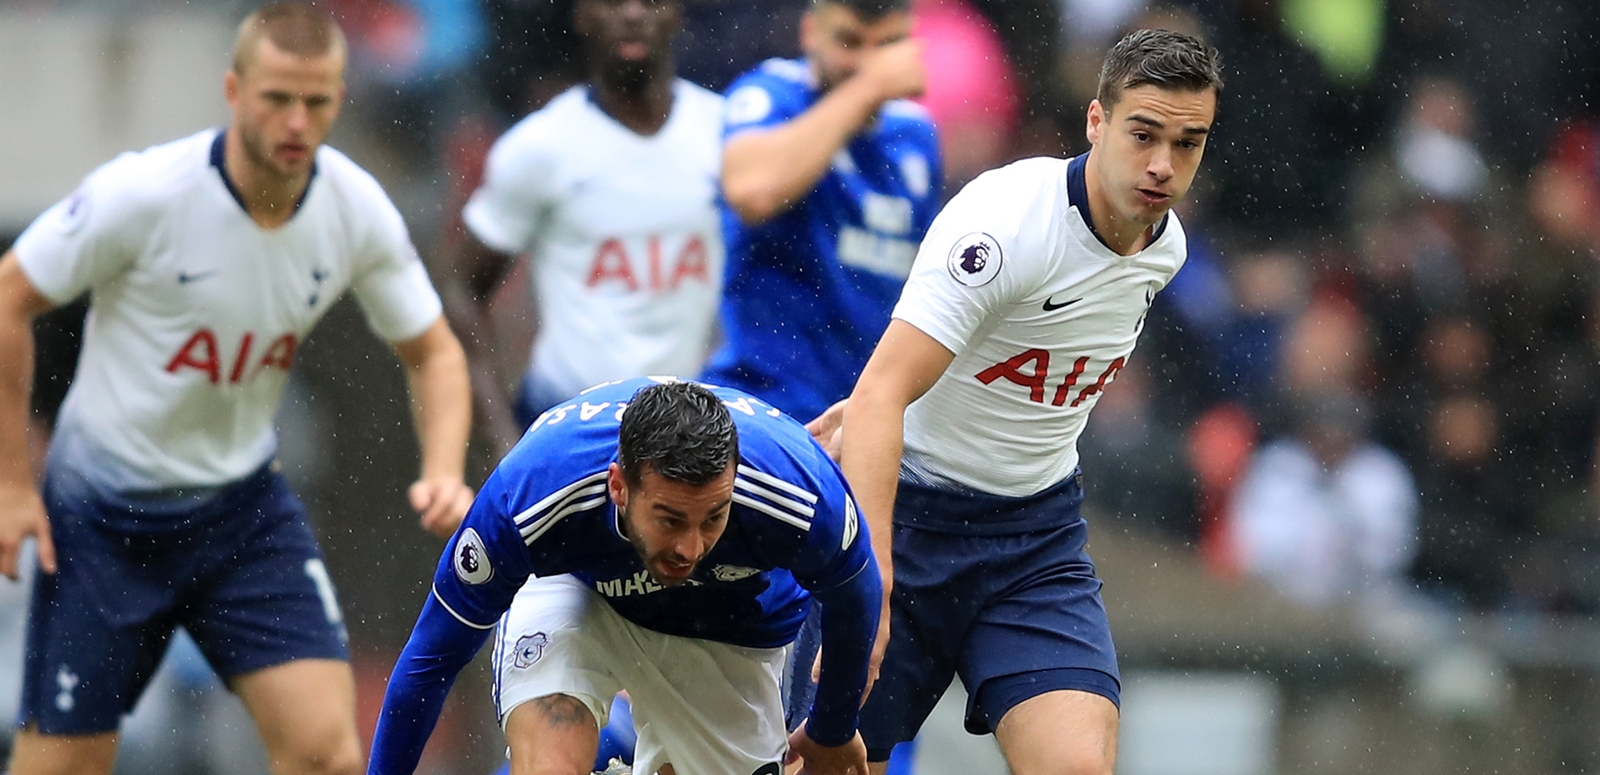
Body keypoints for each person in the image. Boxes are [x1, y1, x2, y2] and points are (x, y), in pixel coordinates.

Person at [0, 4, 475, 774]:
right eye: (277, 97)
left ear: (339, 100)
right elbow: (10, 294)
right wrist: (12, 483)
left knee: (327, 753)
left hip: (240, 515)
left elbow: (435, 351)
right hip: (101, 519)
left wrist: (444, 468)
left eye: (316, 101)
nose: (296, 120)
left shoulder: (355, 211)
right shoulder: (145, 193)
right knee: (63, 766)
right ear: (234, 89)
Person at [810, 29, 1224, 775]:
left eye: (1188, 144)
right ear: (1096, 122)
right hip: (909, 521)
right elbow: (881, 392)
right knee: (830, 763)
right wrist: (868, 576)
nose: (1164, 165)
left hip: (1034, 538)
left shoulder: (1167, 250)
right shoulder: (1004, 225)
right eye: (1144, 134)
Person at [367, 379, 881, 775]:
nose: (691, 547)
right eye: (670, 519)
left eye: (714, 518)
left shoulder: (798, 493)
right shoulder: (531, 494)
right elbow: (431, 658)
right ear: (618, 485)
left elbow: (857, 591)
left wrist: (833, 729)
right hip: (579, 590)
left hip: (732, 621)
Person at [446, 0, 726, 454]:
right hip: (566, 425)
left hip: (689, 430)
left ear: (676, 11)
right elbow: (464, 292)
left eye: (651, 1)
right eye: (614, 1)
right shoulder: (539, 148)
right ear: (581, 15)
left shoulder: (727, 133)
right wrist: (503, 442)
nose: (633, 14)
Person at [703, 0, 943, 422]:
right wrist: (868, 88)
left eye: (887, 45)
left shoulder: (917, 135)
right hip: (763, 406)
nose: (870, 63)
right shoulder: (770, 93)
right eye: (849, 41)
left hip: (865, 413)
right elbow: (752, 190)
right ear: (810, 32)